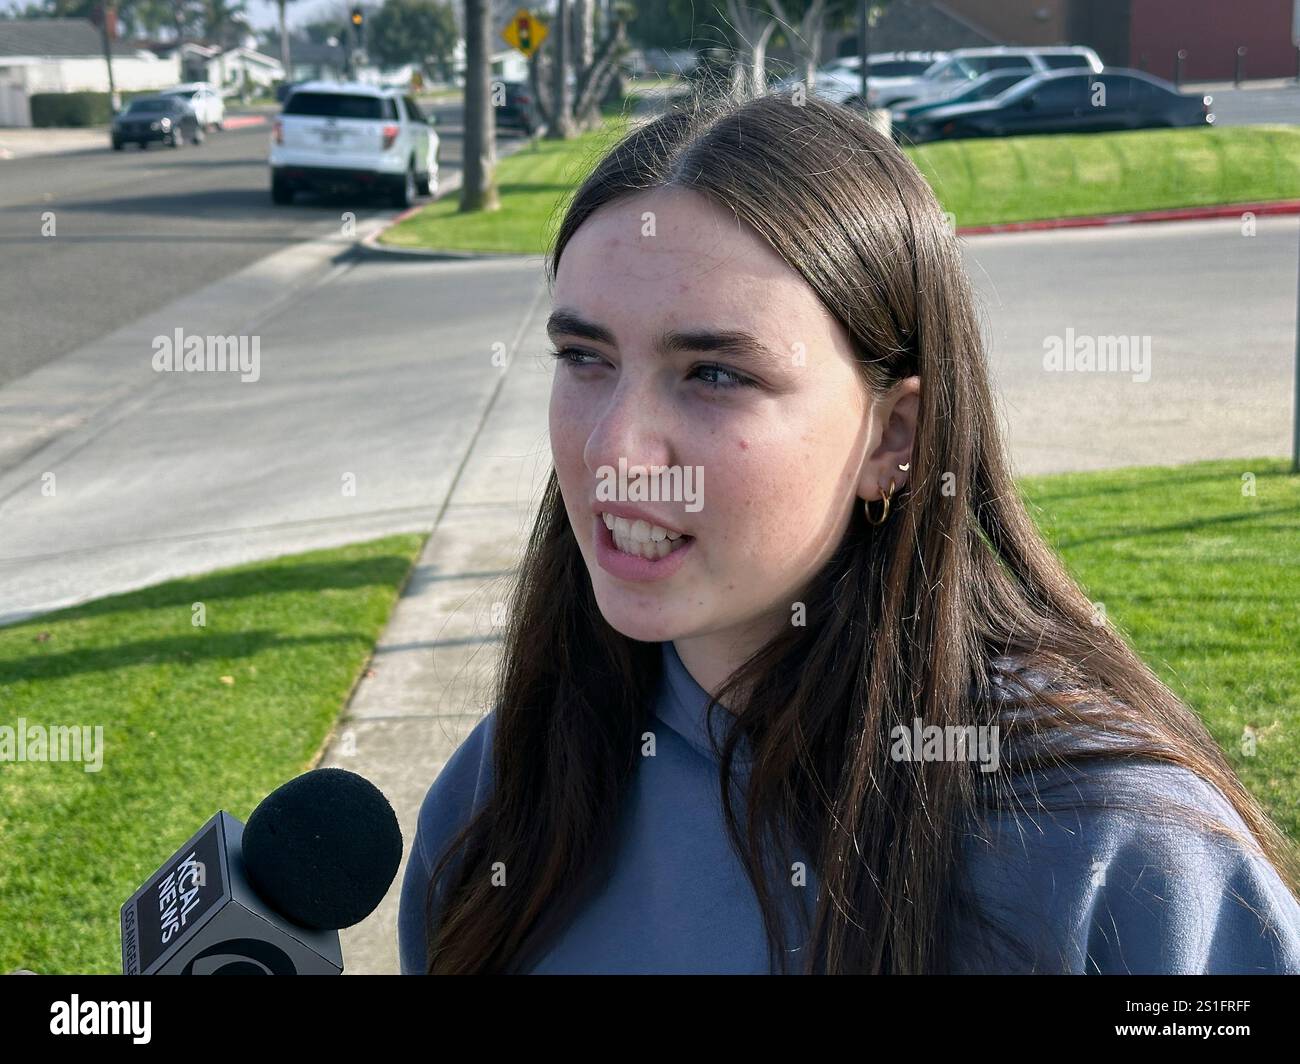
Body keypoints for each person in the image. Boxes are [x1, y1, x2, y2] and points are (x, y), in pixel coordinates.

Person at [397, 90, 1300, 974]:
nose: (613, 450)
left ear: (893, 438)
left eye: (714, 374)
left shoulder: (1110, 849)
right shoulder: (501, 793)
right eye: (584, 358)